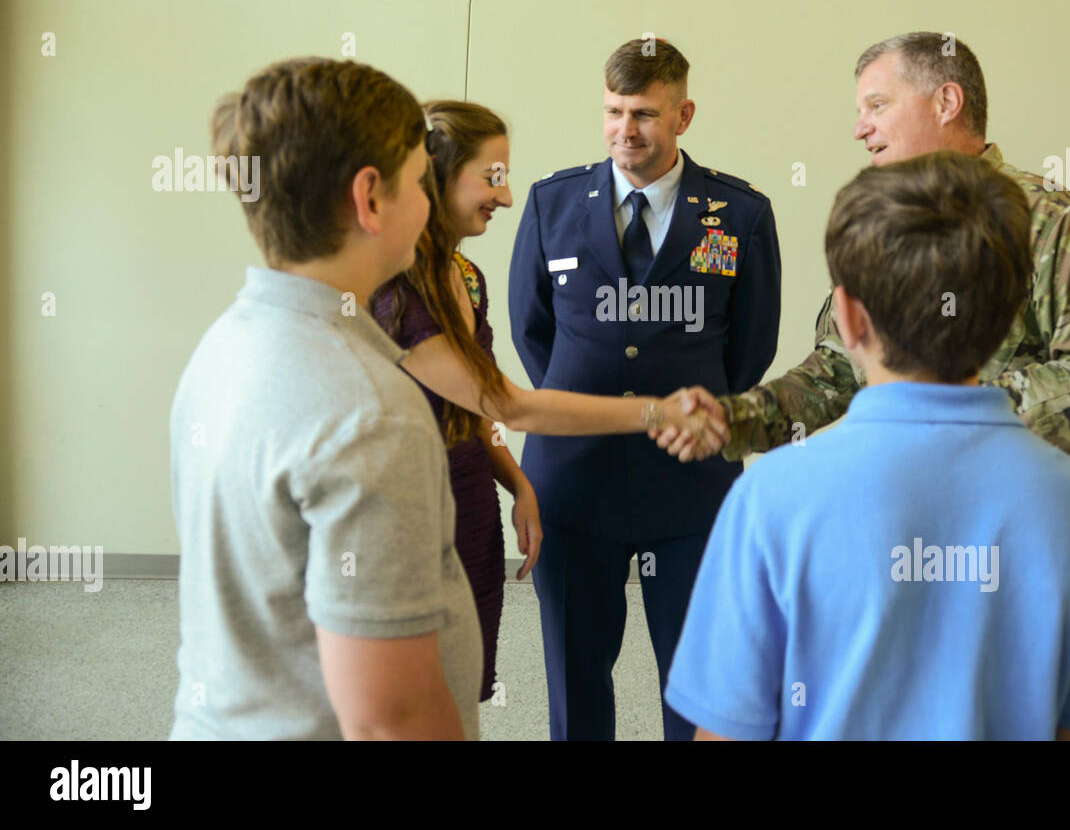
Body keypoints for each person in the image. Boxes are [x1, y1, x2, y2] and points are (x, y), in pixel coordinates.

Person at [665, 151, 1070, 739]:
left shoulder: (770, 500)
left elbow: (727, 728)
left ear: (848, 316)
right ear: (1004, 316)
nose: (863, 126)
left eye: (877, 103)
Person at [653, 31, 1070, 466]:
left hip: (1016, 512)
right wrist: (733, 419)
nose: (859, 128)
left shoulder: (1050, 221)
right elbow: (835, 373)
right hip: (896, 514)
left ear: (946, 102)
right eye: (860, 112)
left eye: (878, 105)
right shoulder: (877, 221)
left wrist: (955, 417)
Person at [371, 100, 732, 705]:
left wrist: (515, 480)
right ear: (436, 172)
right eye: (491, 177)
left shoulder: (463, 274)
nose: (507, 195)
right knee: (406, 698)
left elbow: (474, 412)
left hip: (473, 507)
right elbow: (511, 403)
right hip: (409, 514)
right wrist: (659, 412)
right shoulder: (396, 287)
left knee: (458, 693)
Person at [169, 58, 481, 739]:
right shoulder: (369, 412)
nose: (430, 203)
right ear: (371, 198)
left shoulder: (223, 345)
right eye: (421, 179)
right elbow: (388, 720)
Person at [508, 37, 782, 740]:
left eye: (645, 114)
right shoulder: (552, 202)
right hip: (572, 482)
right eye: (613, 111)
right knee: (575, 678)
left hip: (689, 486)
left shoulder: (740, 214)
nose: (625, 131)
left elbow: (749, 351)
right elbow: (532, 332)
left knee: (696, 684)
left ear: (683, 114)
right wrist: (591, 413)